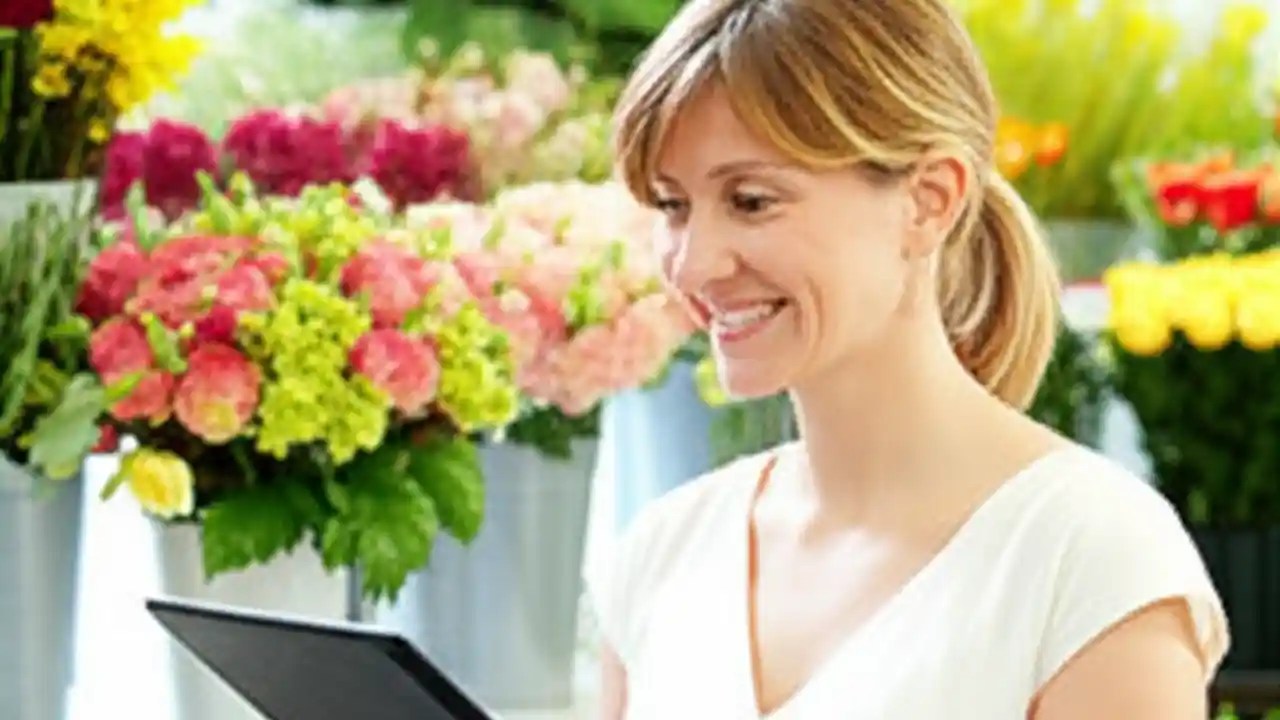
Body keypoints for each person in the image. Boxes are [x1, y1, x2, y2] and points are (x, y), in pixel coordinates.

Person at [584, 0, 1230, 717]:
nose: (694, 263)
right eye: (673, 206)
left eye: (752, 200)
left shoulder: (1090, 559)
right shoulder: (661, 556)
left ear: (929, 200)